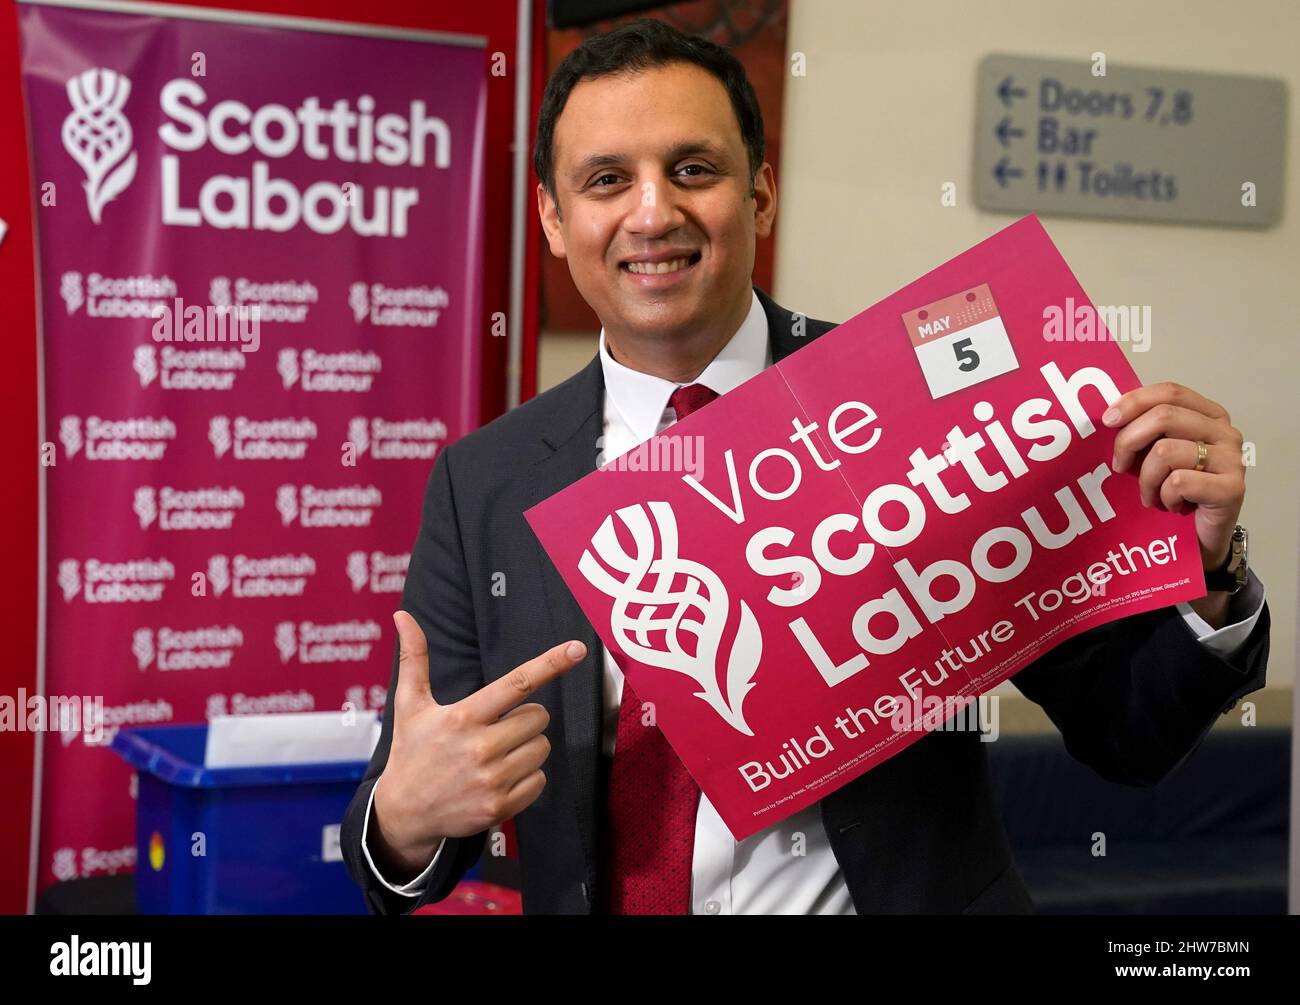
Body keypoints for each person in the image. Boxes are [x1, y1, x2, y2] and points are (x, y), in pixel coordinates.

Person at [340, 18, 1268, 915]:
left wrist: (1211, 571)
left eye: (693, 169)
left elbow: (1129, 733)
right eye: (607, 179)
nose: (653, 211)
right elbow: (409, 820)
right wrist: (406, 818)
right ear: (553, 215)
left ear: (762, 194)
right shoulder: (485, 483)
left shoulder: (924, 411)